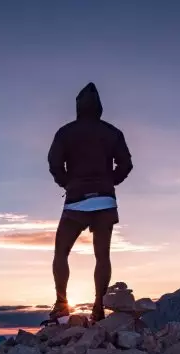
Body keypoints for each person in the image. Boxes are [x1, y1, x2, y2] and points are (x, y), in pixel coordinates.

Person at [47, 82, 133, 323]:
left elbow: (54, 163)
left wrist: (67, 183)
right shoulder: (113, 132)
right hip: (105, 200)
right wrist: (110, 182)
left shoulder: (65, 133)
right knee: (102, 256)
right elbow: (125, 164)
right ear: (99, 108)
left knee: (61, 252)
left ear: (78, 107)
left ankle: (61, 304)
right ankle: (98, 307)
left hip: (76, 201)